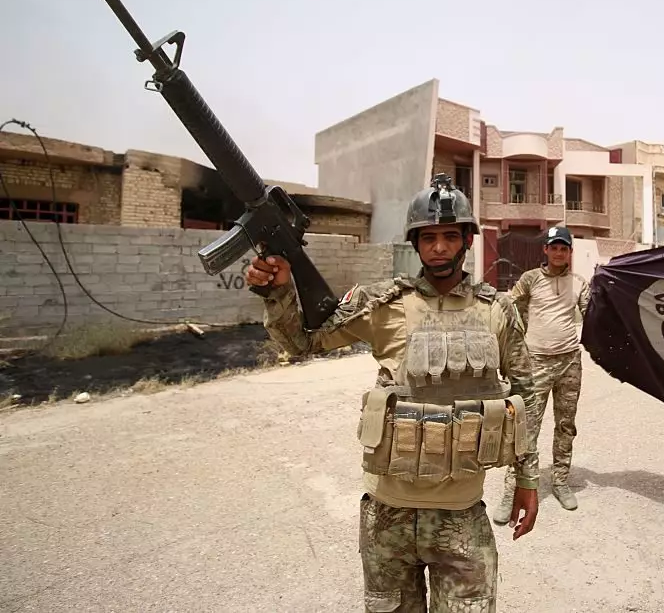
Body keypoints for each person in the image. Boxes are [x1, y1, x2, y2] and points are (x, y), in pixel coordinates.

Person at [245, 173, 541, 612]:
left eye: (448, 236)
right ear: (415, 243)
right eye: (428, 238)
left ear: (467, 241)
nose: (438, 247)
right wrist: (278, 291)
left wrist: (527, 481)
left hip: (461, 514)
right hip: (388, 513)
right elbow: (301, 342)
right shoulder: (382, 303)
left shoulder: (496, 312)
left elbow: (525, 395)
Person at [492, 225, 590, 523]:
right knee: (525, 429)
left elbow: (595, 314)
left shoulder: (579, 283)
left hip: (570, 363)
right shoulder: (531, 279)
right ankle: (514, 487)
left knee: (565, 425)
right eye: (554, 247)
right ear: (545, 250)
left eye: (564, 248)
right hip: (535, 364)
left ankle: (560, 480)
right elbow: (508, 307)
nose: (559, 252)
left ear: (569, 252)